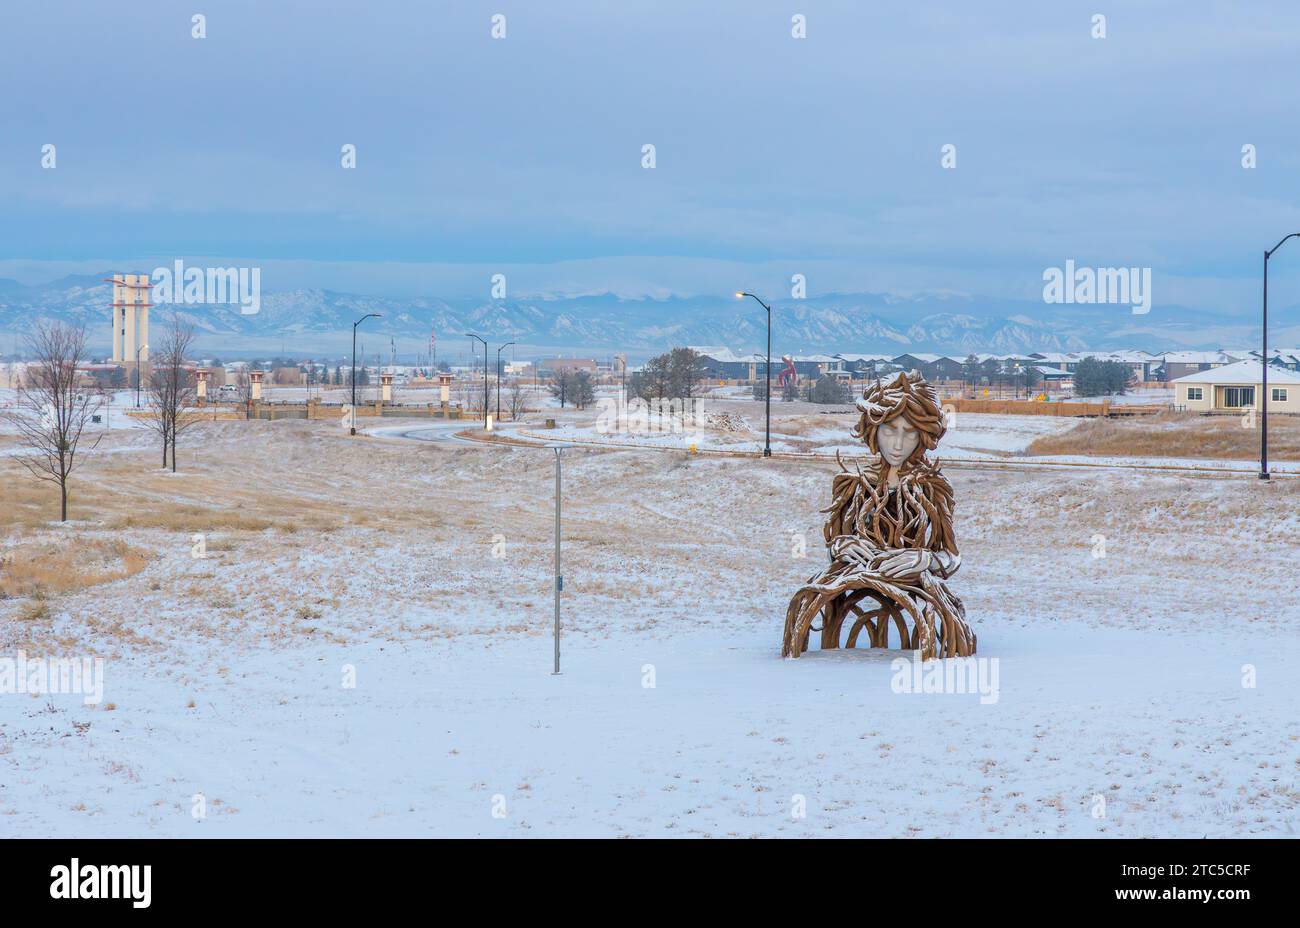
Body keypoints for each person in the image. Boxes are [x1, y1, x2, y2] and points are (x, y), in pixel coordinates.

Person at [783, 370, 977, 660]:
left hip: (911, 577)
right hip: (857, 572)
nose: (898, 444)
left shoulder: (932, 490)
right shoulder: (853, 484)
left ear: (923, 435)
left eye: (909, 432)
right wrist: (841, 546)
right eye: (889, 430)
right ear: (873, 429)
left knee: (937, 612)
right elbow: (834, 541)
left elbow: (952, 556)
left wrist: (926, 559)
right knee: (807, 599)